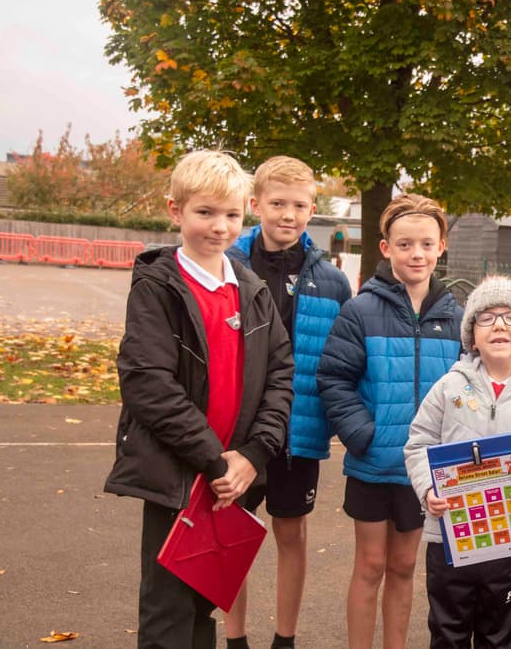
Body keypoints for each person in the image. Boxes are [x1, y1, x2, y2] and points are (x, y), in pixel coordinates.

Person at [104, 150, 293, 649]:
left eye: (231, 214)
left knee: (201, 605)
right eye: (204, 212)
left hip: (233, 479)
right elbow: (148, 384)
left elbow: (281, 374)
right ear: (175, 211)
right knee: (167, 614)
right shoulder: (158, 286)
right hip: (182, 475)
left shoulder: (250, 288)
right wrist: (213, 461)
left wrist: (252, 456)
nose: (219, 226)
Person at [317, 194, 463, 649]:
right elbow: (334, 378)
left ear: (441, 247)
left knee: (403, 567)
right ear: (385, 248)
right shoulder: (360, 310)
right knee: (370, 565)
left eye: (425, 244)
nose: (415, 254)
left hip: (426, 472)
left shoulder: (458, 316)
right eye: (404, 245)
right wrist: (365, 434)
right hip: (373, 464)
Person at [404, 276, 511, 648]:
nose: (499, 325)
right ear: (471, 334)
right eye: (486, 318)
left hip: (510, 540)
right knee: (447, 632)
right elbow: (418, 443)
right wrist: (428, 487)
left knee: (500, 635)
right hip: (450, 538)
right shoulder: (448, 387)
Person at [225, 156, 353, 649]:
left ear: (312, 209)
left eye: (299, 205)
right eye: (277, 203)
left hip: (299, 431)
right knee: (232, 533)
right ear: (254, 204)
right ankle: (234, 638)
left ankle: (285, 638)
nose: (288, 214)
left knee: (291, 531)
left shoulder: (333, 282)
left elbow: (342, 361)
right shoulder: (228, 265)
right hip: (237, 431)